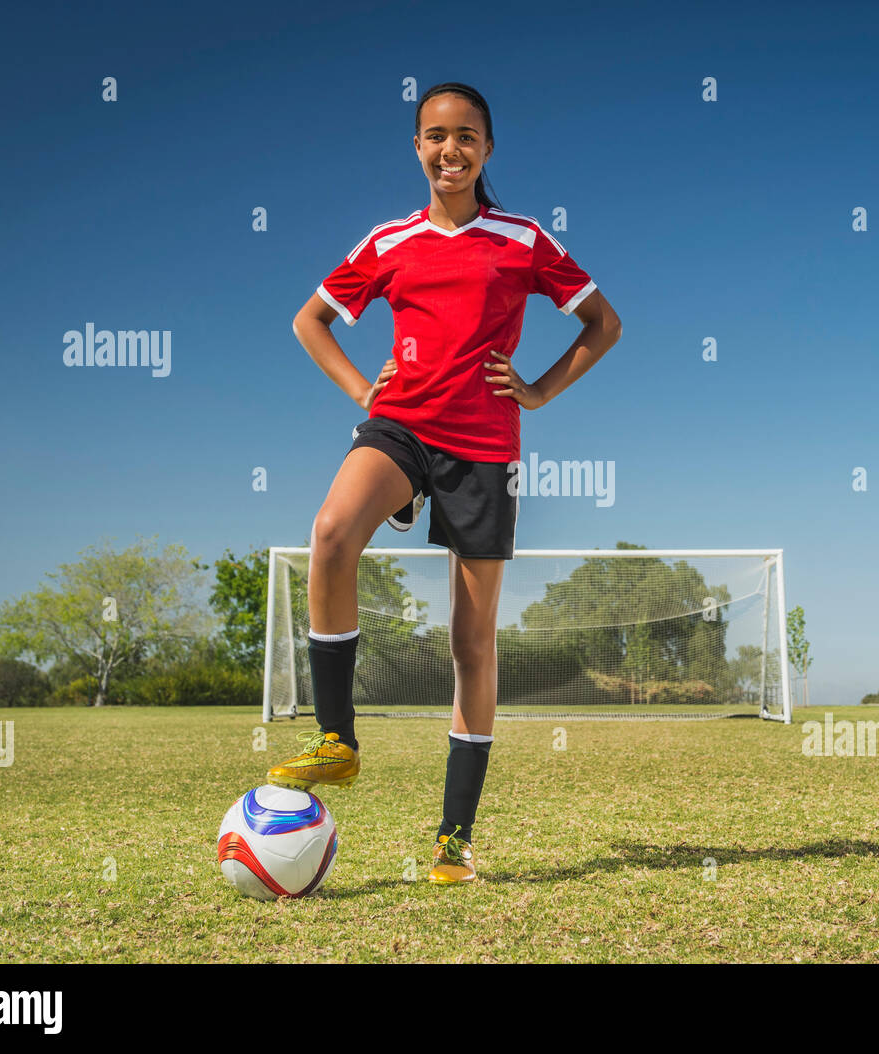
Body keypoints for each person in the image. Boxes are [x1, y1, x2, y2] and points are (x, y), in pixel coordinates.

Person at [267, 82, 622, 884]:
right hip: (400, 426)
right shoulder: (389, 242)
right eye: (434, 136)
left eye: (466, 136)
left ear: (488, 150)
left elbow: (604, 323)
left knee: (470, 642)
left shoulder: (523, 239)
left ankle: (453, 839)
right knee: (330, 532)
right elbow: (309, 320)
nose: (449, 149)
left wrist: (534, 389)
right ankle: (337, 737)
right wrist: (365, 392)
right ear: (417, 148)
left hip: (483, 447)